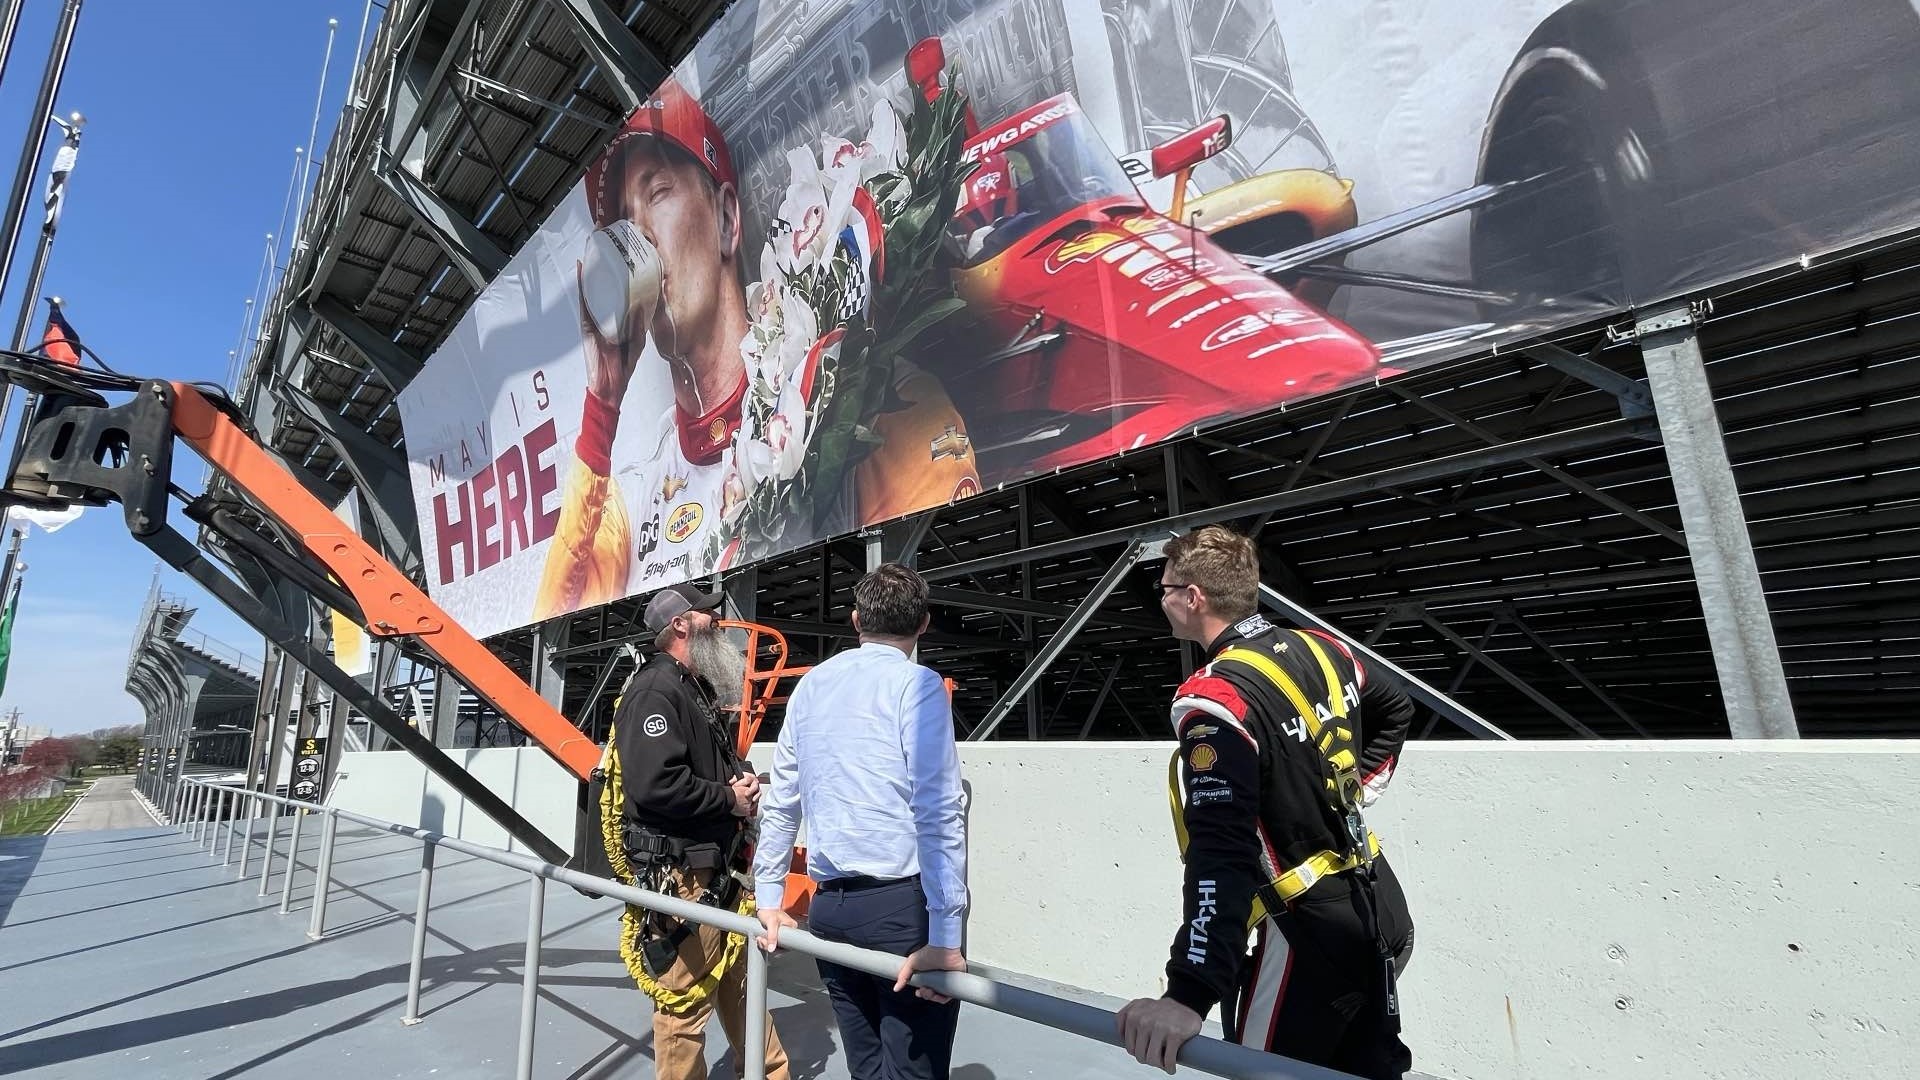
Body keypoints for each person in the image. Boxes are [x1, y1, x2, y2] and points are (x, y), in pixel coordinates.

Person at [534, 80, 981, 621]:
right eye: (622, 227)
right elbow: (556, 627)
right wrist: (602, 408)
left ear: (726, 218)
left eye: (658, 194)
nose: (640, 239)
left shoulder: (872, 398)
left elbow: (924, 622)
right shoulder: (632, 498)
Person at [1118, 526, 1416, 1079]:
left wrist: (1189, 991)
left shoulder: (1215, 697)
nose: (1161, 600)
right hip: (1376, 907)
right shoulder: (1323, 648)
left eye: (1164, 589)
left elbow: (1221, 852)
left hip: (1303, 936)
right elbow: (1396, 704)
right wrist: (1360, 788)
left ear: (1193, 597)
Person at [752, 563, 969, 1080]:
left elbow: (782, 800)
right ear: (923, 624)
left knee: (865, 1067)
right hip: (901, 911)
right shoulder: (917, 685)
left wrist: (769, 898)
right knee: (913, 1069)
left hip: (830, 911)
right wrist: (946, 935)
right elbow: (939, 811)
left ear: (855, 620)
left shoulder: (811, 686)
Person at [599, 581, 792, 1080]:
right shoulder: (654, 690)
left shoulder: (692, 688)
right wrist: (729, 799)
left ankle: (772, 1073)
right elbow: (655, 785)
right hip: (684, 874)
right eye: (707, 613)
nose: (718, 621)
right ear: (680, 625)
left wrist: (741, 778)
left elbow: (710, 763)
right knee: (683, 1004)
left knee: (741, 983)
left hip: (717, 869)